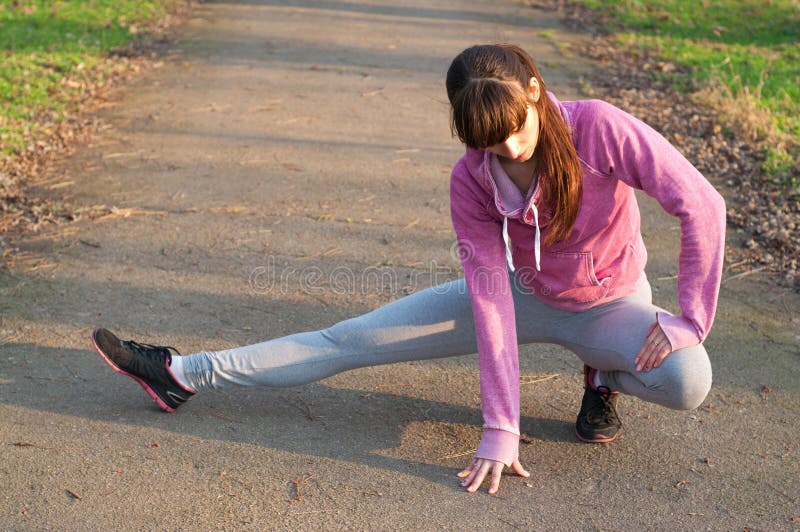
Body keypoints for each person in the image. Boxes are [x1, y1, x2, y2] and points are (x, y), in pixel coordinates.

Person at [92, 43, 725, 495]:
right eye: (487, 142)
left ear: (534, 92)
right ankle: (184, 373)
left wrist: (690, 317)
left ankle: (602, 379)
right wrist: (500, 427)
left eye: (515, 130)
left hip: (614, 304)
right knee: (347, 341)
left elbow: (700, 203)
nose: (509, 149)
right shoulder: (470, 180)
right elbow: (490, 303)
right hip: (526, 295)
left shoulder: (599, 128)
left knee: (688, 379)